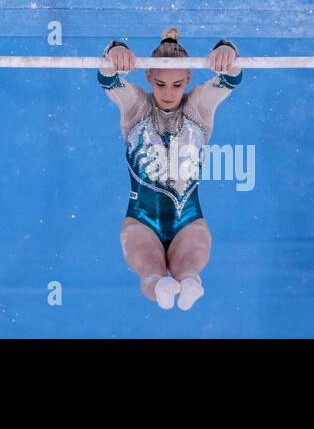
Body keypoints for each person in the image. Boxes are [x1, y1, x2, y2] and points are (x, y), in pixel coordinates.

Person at [98, 28, 241, 310]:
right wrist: (115, 49)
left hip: (189, 220)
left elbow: (230, 77)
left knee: (189, 266)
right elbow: (107, 77)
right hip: (141, 221)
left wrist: (227, 49)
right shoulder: (137, 107)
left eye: (177, 84)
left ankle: (189, 283)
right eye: (160, 84)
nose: (168, 92)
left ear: (189, 78)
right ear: (148, 76)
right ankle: (162, 285)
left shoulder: (198, 106)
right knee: (150, 269)